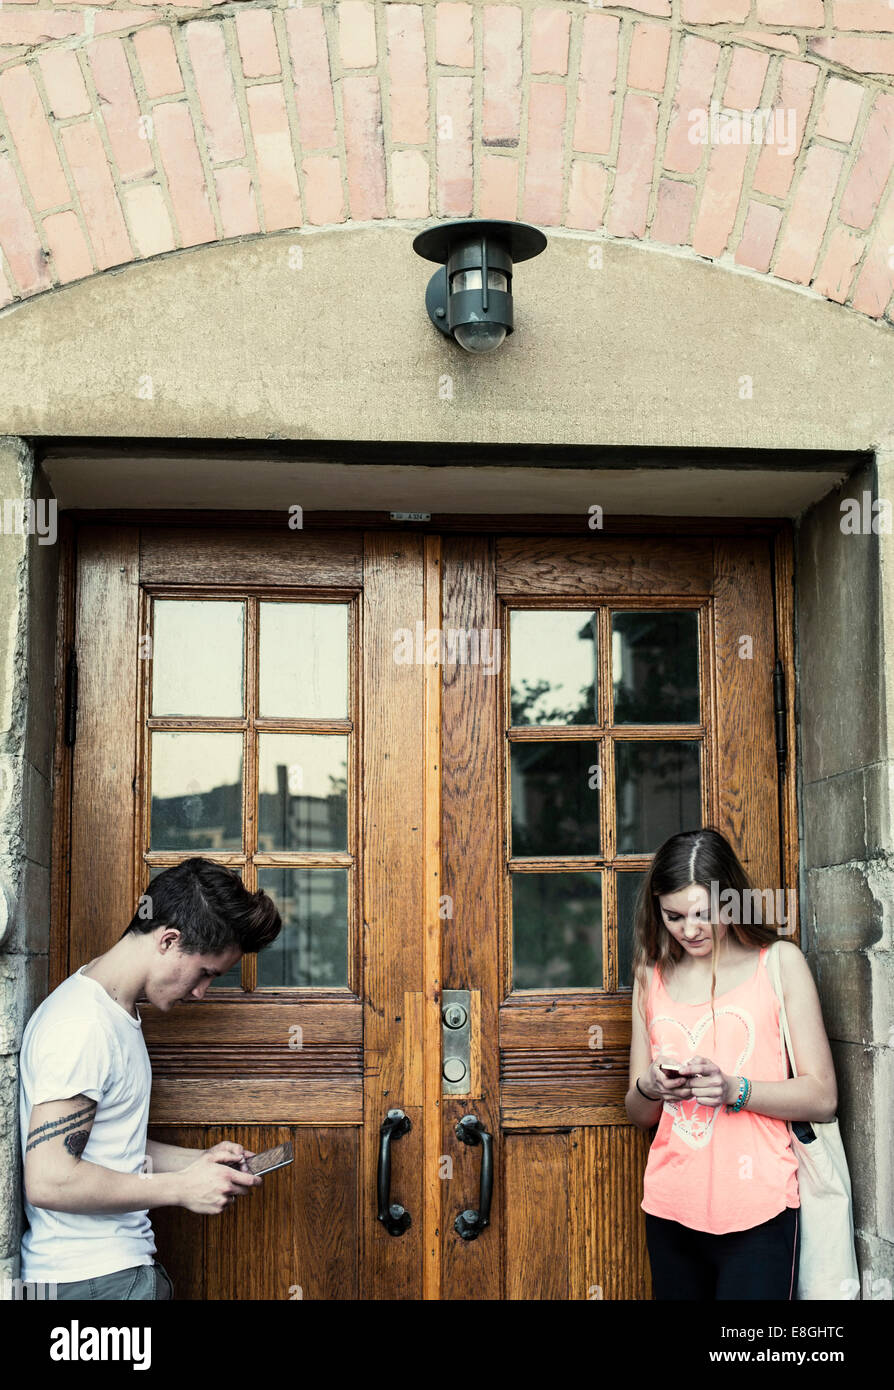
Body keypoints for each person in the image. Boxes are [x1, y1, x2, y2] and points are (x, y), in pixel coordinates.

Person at [19, 857, 282, 1300]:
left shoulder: (112, 1012)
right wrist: (180, 1188)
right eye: (204, 973)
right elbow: (50, 1179)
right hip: (92, 1281)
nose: (201, 992)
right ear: (168, 940)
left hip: (106, 1277)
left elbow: (102, 1146)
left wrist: (197, 1163)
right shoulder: (83, 1025)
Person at [625, 827, 838, 1301]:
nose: (689, 929)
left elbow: (822, 1097)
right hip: (669, 1208)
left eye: (703, 913)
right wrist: (652, 1087)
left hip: (760, 1209)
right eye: (674, 916)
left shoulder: (779, 964)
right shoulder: (650, 975)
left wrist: (733, 1090)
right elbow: (638, 1114)